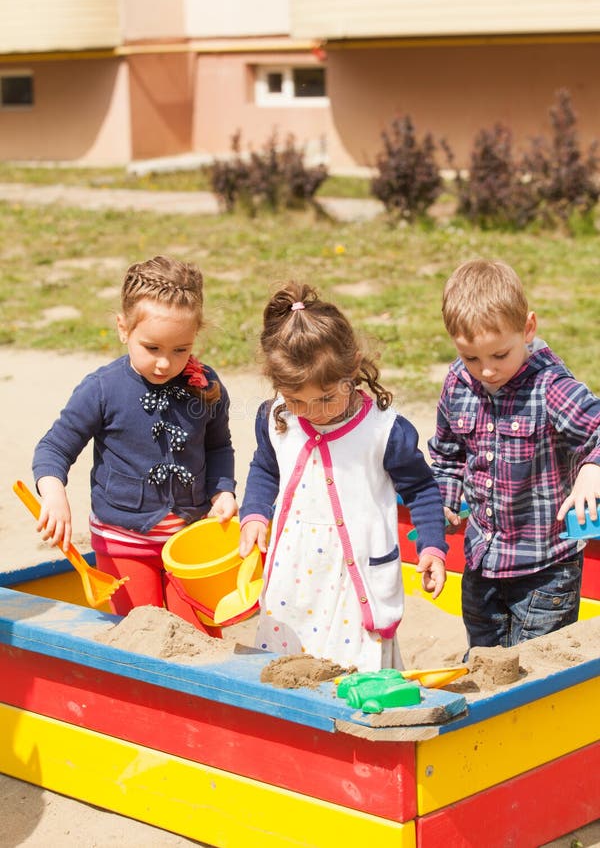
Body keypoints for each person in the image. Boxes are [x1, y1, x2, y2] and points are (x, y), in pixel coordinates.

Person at [238, 282, 447, 671]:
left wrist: (432, 547)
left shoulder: (384, 432)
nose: (312, 412)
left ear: (352, 372)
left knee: (356, 671)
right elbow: (266, 468)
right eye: (297, 401)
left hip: (354, 583)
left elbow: (421, 489)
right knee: (288, 665)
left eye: (326, 399)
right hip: (293, 576)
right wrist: (254, 513)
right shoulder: (277, 419)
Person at [33, 256, 237, 633]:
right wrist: (53, 494)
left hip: (189, 540)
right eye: (152, 348)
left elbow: (218, 447)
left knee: (200, 635)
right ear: (123, 328)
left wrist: (222, 490)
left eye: (180, 350)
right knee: (142, 633)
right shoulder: (103, 389)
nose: (165, 364)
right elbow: (54, 448)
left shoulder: (205, 385)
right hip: (123, 541)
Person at [428, 258, 600, 650]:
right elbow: (448, 458)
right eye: (472, 358)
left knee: (535, 671)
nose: (487, 371)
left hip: (545, 570)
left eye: (500, 355)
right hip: (482, 562)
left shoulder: (550, 387)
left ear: (528, 328)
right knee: (484, 664)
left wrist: (592, 469)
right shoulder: (458, 383)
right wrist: (443, 506)